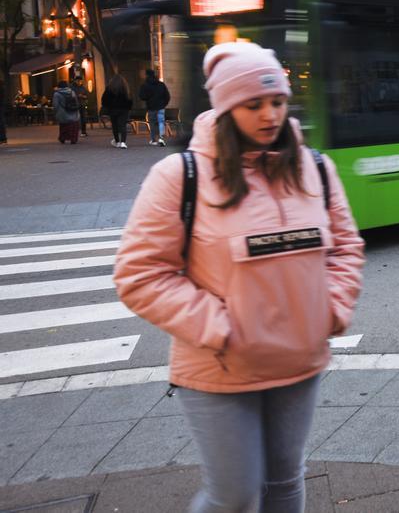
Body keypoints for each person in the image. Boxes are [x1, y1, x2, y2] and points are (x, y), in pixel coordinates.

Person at [113, 42, 364, 513]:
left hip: (298, 360)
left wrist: (329, 309)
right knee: (235, 496)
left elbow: (346, 248)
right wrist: (222, 328)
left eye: (277, 101)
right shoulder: (180, 176)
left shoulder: (317, 170)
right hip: (219, 369)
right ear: (227, 108)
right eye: (254, 104)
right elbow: (140, 273)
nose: (270, 114)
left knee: (286, 483)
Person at [139, 68, 171, 146]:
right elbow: (167, 96)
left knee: (152, 123)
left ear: (147, 75)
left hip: (151, 107)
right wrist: (164, 104)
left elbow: (142, 96)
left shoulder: (145, 85)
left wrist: (148, 99)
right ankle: (161, 138)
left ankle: (153, 140)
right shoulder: (161, 84)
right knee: (161, 122)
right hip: (161, 107)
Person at [101, 74, 134, 149]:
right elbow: (130, 99)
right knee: (123, 125)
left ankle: (117, 141)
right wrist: (129, 108)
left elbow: (104, 100)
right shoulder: (126, 89)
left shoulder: (109, 89)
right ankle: (123, 142)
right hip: (124, 110)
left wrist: (108, 107)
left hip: (113, 109)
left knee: (115, 126)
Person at [52, 80, 80, 144]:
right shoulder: (72, 92)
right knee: (73, 126)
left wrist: (55, 112)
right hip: (73, 111)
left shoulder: (57, 94)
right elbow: (76, 101)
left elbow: (55, 105)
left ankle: (63, 138)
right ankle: (73, 139)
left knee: (63, 126)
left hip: (63, 113)